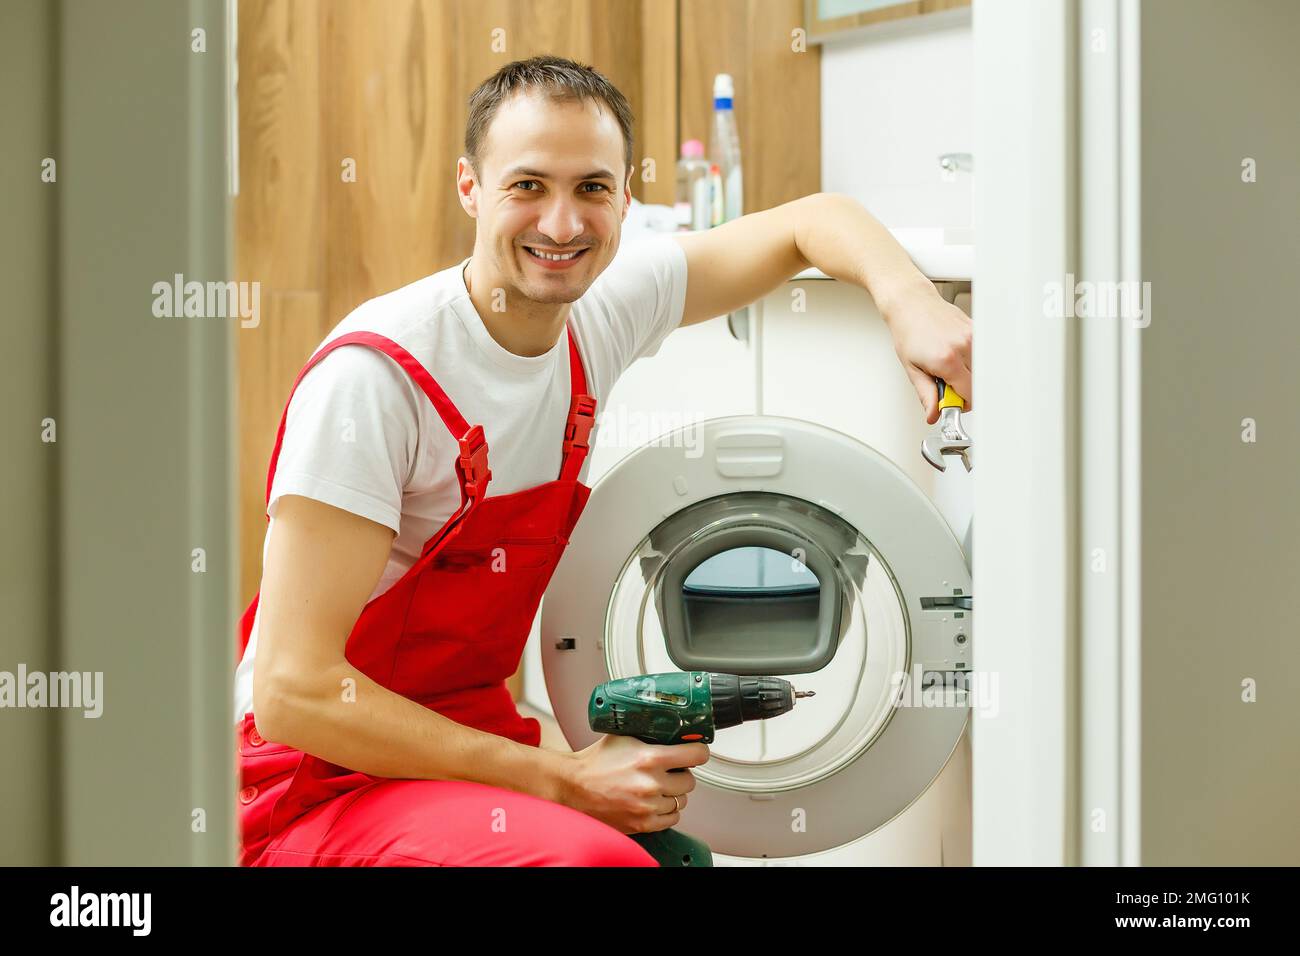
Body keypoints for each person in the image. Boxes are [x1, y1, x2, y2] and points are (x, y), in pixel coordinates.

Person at [234, 55, 973, 867]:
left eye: (590, 188)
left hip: (460, 743)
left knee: (676, 859)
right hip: (308, 787)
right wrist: (561, 778)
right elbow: (292, 693)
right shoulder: (376, 379)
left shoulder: (600, 312)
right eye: (526, 186)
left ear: (626, 199)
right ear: (468, 187)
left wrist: (910, 301)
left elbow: (812, 221)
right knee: (600, 861)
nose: (560, 225)